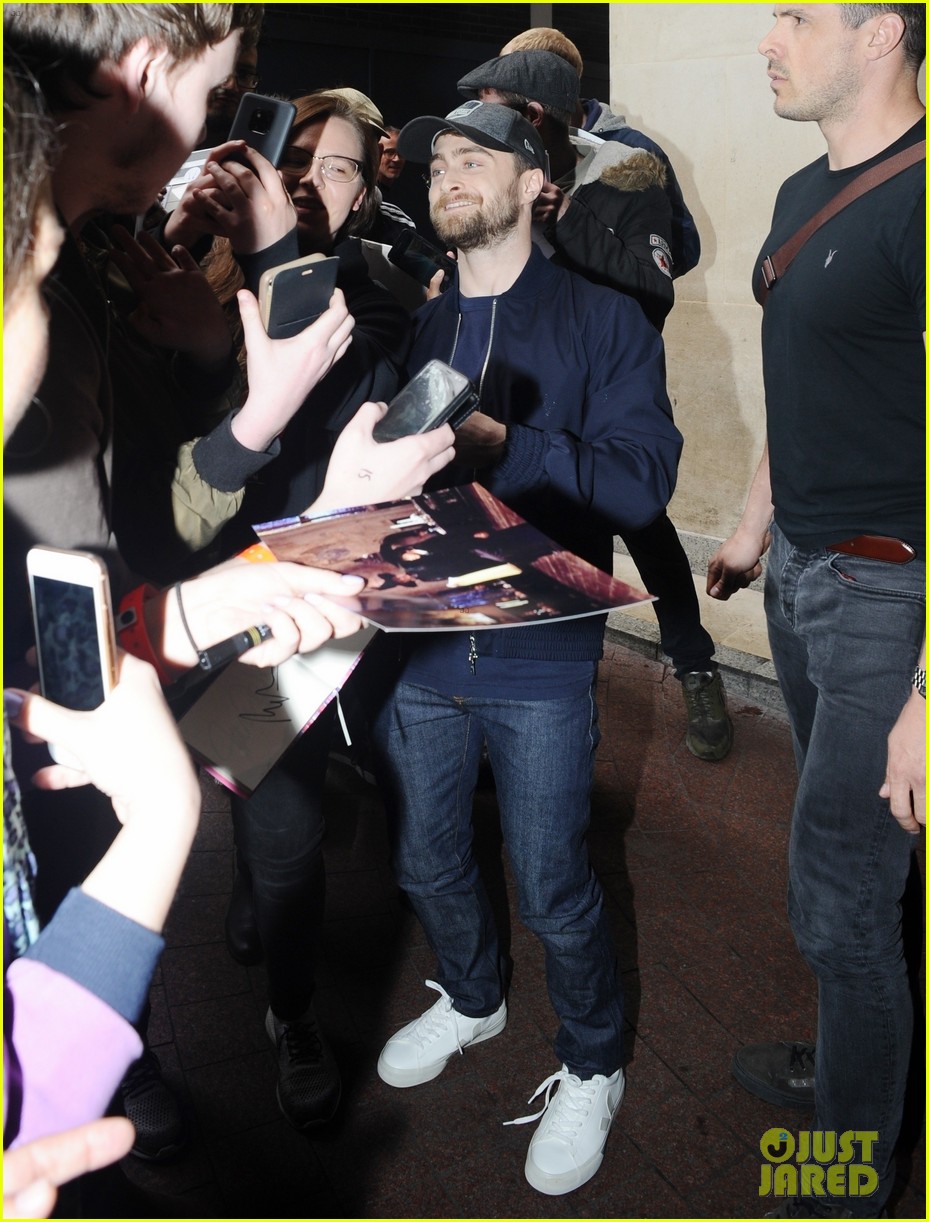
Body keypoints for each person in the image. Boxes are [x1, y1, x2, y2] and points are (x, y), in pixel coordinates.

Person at [2, 3, 451, 1162]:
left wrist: (243, 400)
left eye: (330, 163)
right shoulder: (142, 249)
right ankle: (140, 1055)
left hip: (206, 644)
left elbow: (77, 592)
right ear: (147, 73)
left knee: (286, 830)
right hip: (147, 654)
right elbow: (90, 560)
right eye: (33, 271)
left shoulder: (351, 283)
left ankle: (276, 1015)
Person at [371, 100, 682, 1197]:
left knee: (552, 881)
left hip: (539, 656)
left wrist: (513, 444)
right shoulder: (423, 322)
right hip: (419, 645)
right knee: (425, 855)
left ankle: (592, 1061)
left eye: (470, 158)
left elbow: (642, 483)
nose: (442, 174)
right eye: (434, 163)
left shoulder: (605, 320)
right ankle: (470, 992)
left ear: (532, 182)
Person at [706, 5, 924, 1216]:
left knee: (835, 895)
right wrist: (751, 526)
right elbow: (806, 385)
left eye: (793, 13)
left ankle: (848, 1173)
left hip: (891, 594)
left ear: (881, 32)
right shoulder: (805, 187)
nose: (765, 37)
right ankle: (863, 1066)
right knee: (864, 887)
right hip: (800, 569)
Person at [458, 49, 733, 761]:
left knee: (638, 518)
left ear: (537, 112)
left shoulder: (626, 168)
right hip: (530, 382)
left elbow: (653, 286)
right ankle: (518, 705)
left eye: (497, 109)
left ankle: (694, 665)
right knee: (525, 526)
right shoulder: (503, 158)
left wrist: (567, 216)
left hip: (606, 381)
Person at [499, 26, 701, 276]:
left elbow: (684, 247)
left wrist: (613, 280)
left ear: (557, 80)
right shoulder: (514, 147)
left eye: (512, 79)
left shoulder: (633, 150)